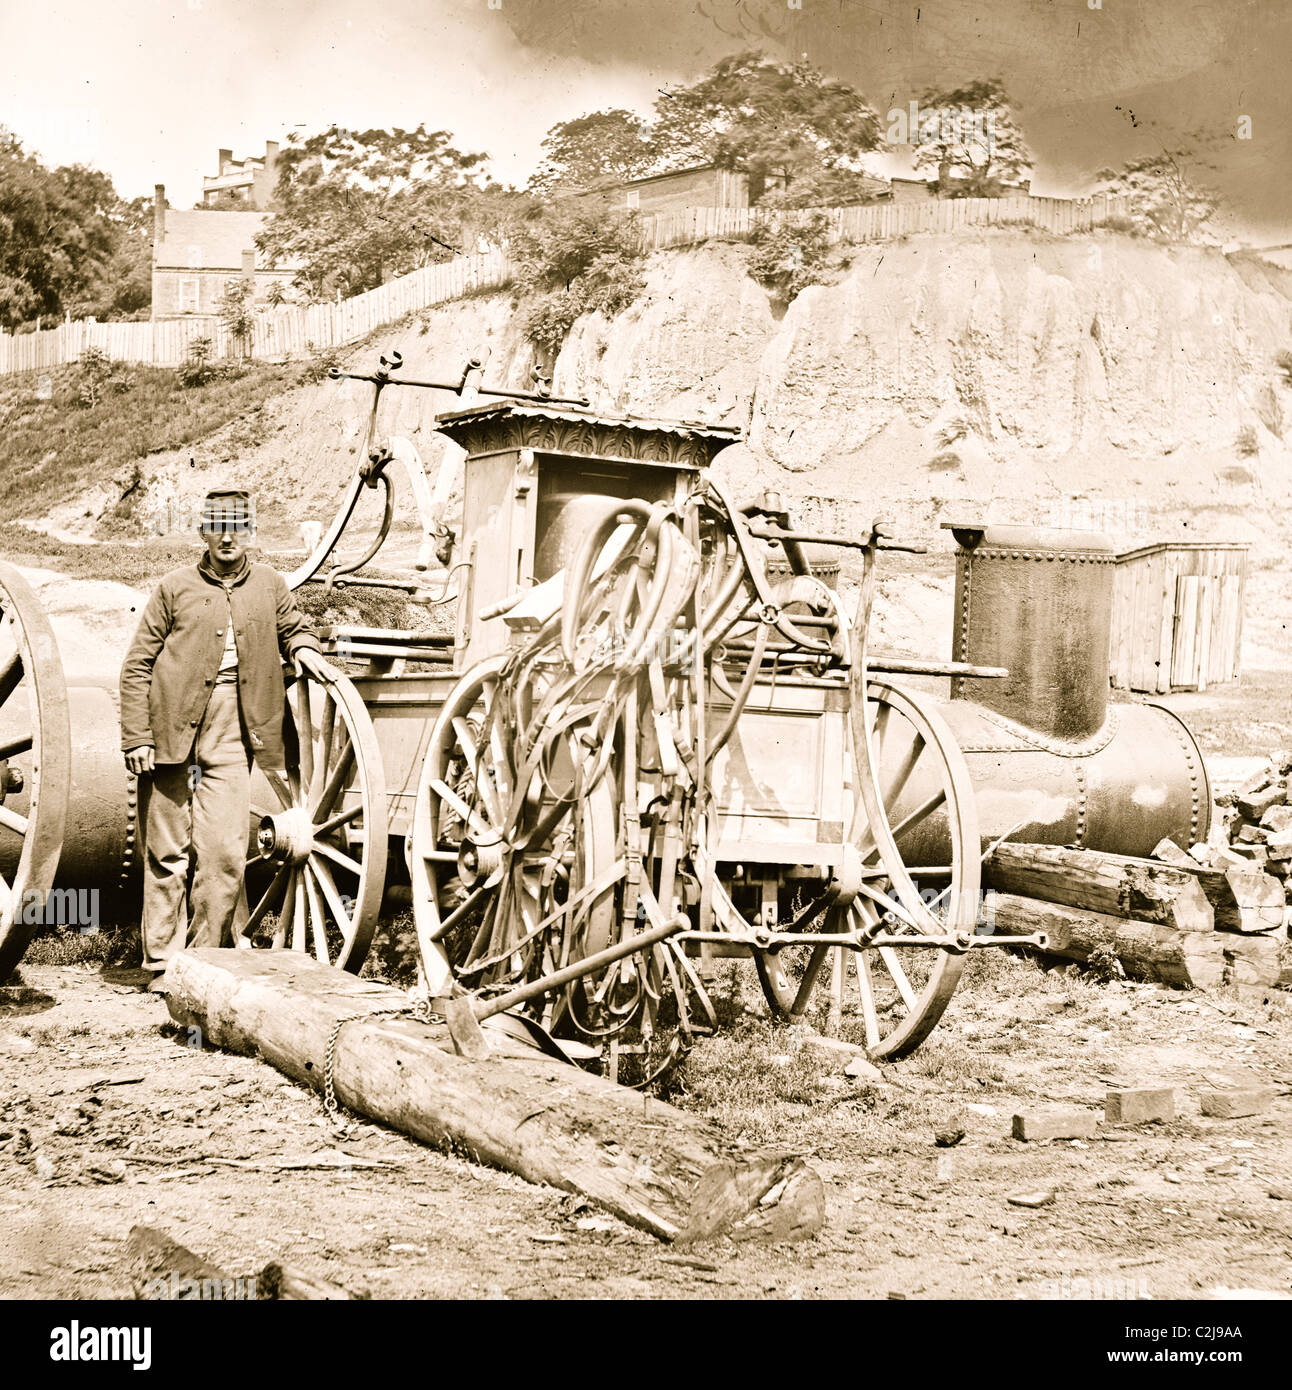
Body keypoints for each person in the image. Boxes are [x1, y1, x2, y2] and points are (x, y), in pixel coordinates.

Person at [119, 490, 338, 993]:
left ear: (250, 531)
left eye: (237, 526)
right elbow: (137, 666)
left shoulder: (270, 585)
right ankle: (160, 964)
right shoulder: (174, 588)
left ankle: (202, 964)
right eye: (217, 526)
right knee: (166, 854)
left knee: (223, 853)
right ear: (202, 532)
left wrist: (305, 651)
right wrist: (137, 736)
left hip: (233, 732)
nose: (227, 536)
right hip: (172, 730)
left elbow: (294, 629)